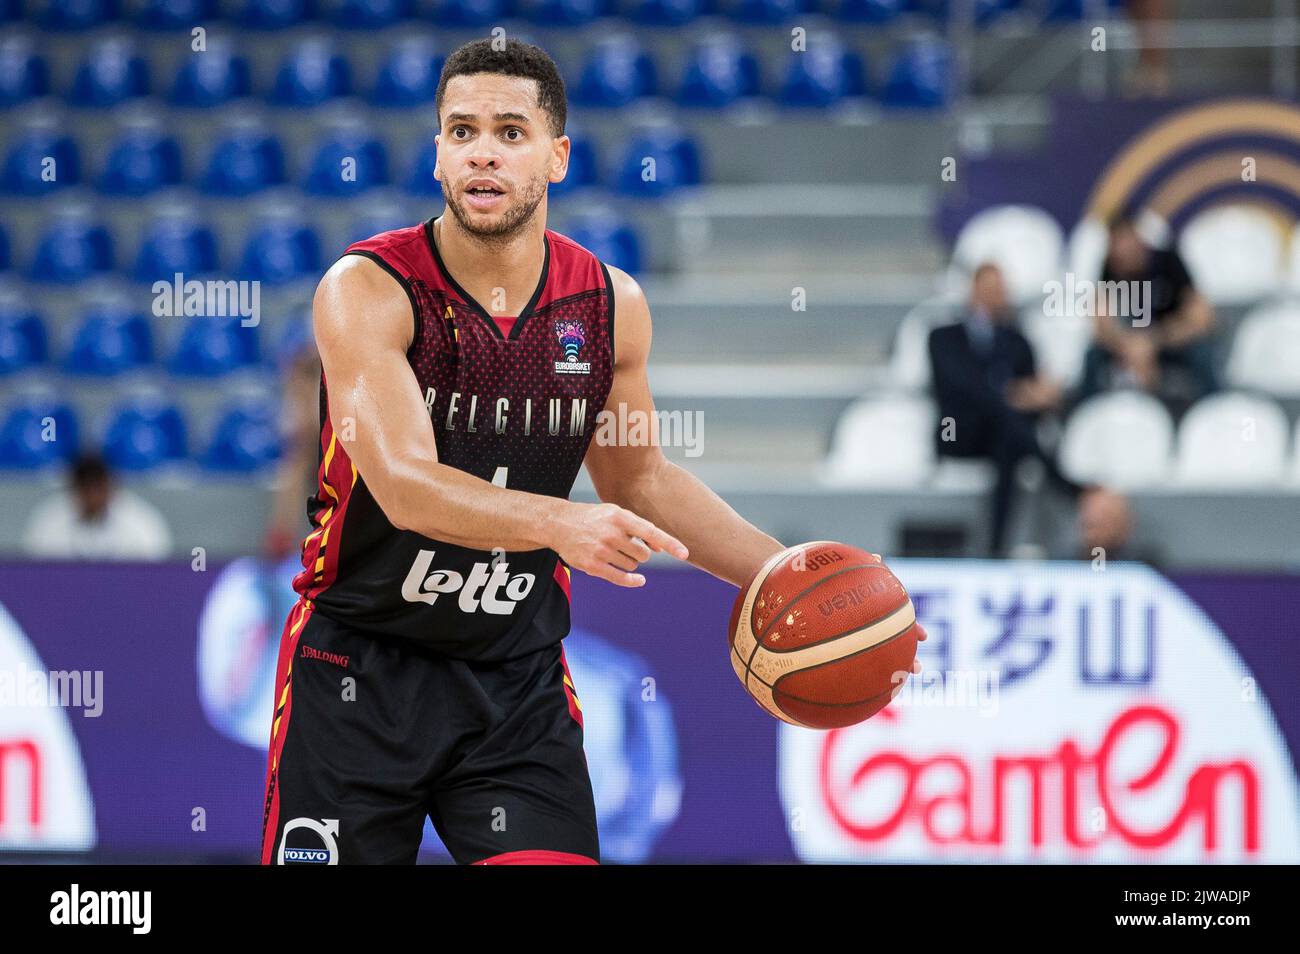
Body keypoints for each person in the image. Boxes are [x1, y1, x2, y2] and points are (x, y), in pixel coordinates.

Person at [259, 39, 923, 866]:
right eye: (461, 131)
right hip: (357, 670)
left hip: (512, 685)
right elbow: (402, 484)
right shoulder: (367, 289)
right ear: (437, 154)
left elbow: (639, 476)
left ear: (557, 155)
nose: (483, 152)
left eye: (510, 131)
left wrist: (794, 578)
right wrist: (561, 525)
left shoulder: (610, 306)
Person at [928, 263, 1091, 557]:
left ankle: (996, 548)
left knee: (1009, 437)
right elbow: (963, 388)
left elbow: (1033, 390)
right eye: (988, 287)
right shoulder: (943, 337)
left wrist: (1040, 395)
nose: (994, 295)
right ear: (973, 290)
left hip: (1002, 437)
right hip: (958, 432)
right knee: (1009, 424)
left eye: (999, 289)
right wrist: (1012, 394)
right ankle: (1063, 484)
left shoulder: (1016, 340)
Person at [1078, 213, 1218, 408]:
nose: (1119, 252)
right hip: (1130, 342)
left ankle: (1212, 411)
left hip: (1170, 341)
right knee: (1093, 356)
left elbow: (1202, 318)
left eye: (1124, 242)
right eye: (1114, 245)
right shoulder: (1110, 268)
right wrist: (1126, 344)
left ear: (1137, 239)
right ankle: (1085, 415)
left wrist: (1153, 341)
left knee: (1201, 353)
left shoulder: (1169, 261)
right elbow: (1101, 322)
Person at [22, 453, 172, 560]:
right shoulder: (48, 522)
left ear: (110, 486)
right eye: (86, 488)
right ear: (74, 488)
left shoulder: (141, 521)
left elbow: (155, 571)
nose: (93, 496)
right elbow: (36, 573)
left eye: (98, 488)